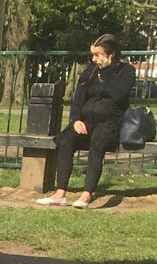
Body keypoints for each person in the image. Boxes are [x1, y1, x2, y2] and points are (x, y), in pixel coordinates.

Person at [36, 33, 136, 209]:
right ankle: (60, 193)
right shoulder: (90, 72)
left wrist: (106, 72)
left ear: (110, 54)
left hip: (110, 123)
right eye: (92, 54)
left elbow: (119, 95)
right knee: (66, 140)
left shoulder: (126, 71)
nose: (94, 58)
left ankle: (86, 194)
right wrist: (75, 120)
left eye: (98, 54)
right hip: (86, 122)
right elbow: (78, 99)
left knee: (97, 142)